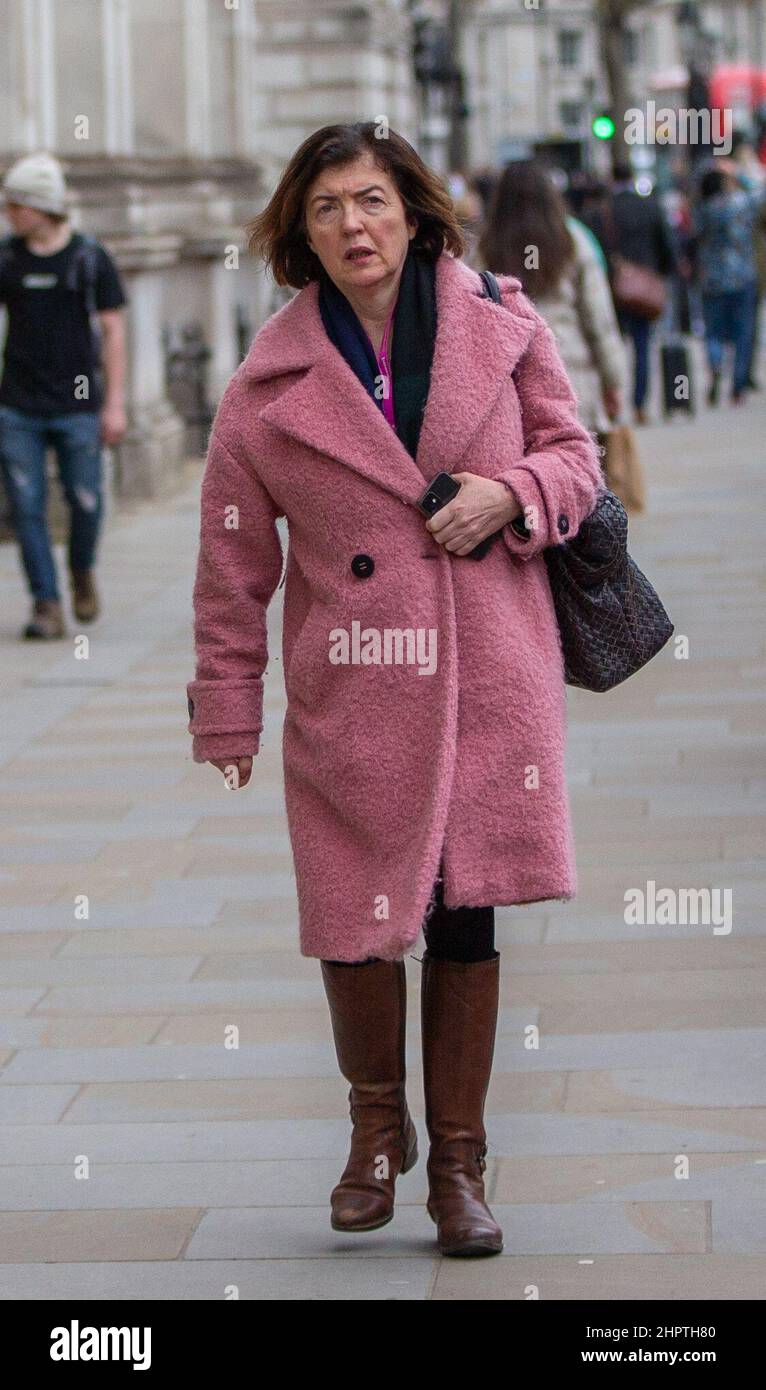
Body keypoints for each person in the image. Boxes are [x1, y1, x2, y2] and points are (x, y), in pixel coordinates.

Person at [185, 122, 604, 1258]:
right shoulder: (268, 378)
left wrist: (512, 492)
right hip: (356, 688)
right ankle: (376, 1131)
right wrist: (228, 702)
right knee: (355, 912)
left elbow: (578, 456)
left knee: (463, 909)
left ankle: (458, 1167)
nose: (352, 227)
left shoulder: (502, 325)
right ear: (299, 234)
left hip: (483, 672)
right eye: (325, 210)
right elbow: (232, 556)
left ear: (412, 212)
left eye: (369, 201)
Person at [0, 152, 128, 639]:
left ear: (39, 206)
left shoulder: (89, 258)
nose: (9, 212)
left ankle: (80, 570)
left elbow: (113, 332)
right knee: (27, 508)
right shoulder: (7, 258)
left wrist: (113, 403)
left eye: (16, 204)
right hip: (18, 406)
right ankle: (46, 605)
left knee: (86, 502)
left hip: (78, 406)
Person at [475, 158, 627, 437]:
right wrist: (613, 380)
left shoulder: (486, 245)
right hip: (570, 371)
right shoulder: (574, 239)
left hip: (513, 378)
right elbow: (598, 319)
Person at [590, 163, 676, 425]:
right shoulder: (650, 205)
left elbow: (597, 251)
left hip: (612, 288)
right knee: (642, 345)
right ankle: (640, 404)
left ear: (611, 178)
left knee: (612, 342)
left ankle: (613, 400)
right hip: (643, 287)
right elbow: (666, 244)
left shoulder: (602, 211)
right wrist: (660, 273)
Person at [691, 161, 761, 405]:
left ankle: (716, 365)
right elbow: (759, 192)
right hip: (742, 276)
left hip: (711, 279)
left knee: (713, 332)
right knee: (744, 332)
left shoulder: (701, 209)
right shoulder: (739, 204)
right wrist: (738, 172)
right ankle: (738, 385)